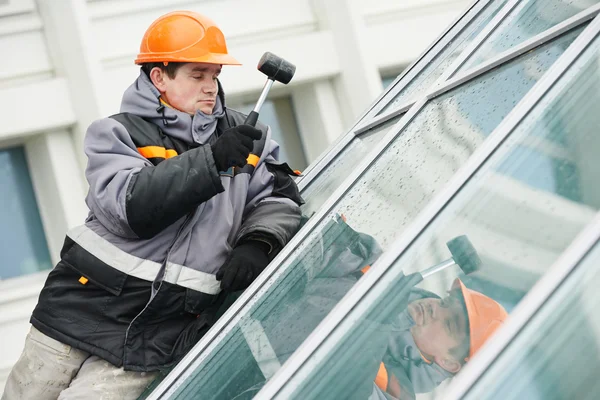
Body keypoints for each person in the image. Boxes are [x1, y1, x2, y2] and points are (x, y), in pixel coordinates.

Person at [2, 10, 303, 400]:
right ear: (159, 76)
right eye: (197, 75)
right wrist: (210, 160)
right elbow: (132, 208)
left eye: (214, 75)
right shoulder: (117, 132)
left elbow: (279, 198)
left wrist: (258, 241)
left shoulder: (248, 140)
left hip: (163, 327)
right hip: (82, 307)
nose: (210, 86)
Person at [369, 278, 508, 400]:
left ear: (448, 362)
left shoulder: (391, 393)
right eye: (444, 302)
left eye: (449, 324)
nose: (434, 308)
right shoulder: (386, 279)